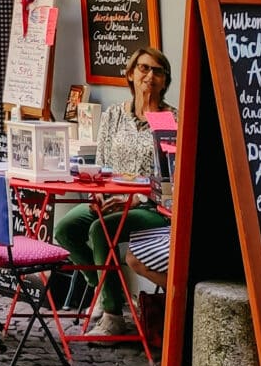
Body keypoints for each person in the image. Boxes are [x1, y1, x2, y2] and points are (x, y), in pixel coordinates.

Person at [53, 45, 174, 336]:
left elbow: (172, 180)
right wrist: (101, 196)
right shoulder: (113, 116)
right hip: (111, 199)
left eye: (158, 72)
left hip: (151, 207)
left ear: (165, 81)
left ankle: (112, 317)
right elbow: (103, 163)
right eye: (144, 68)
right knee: (66, 228)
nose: (150, 77)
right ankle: (103, 289)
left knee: (99, 230)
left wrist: (134, 199)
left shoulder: (171, 121)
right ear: (131, 74)